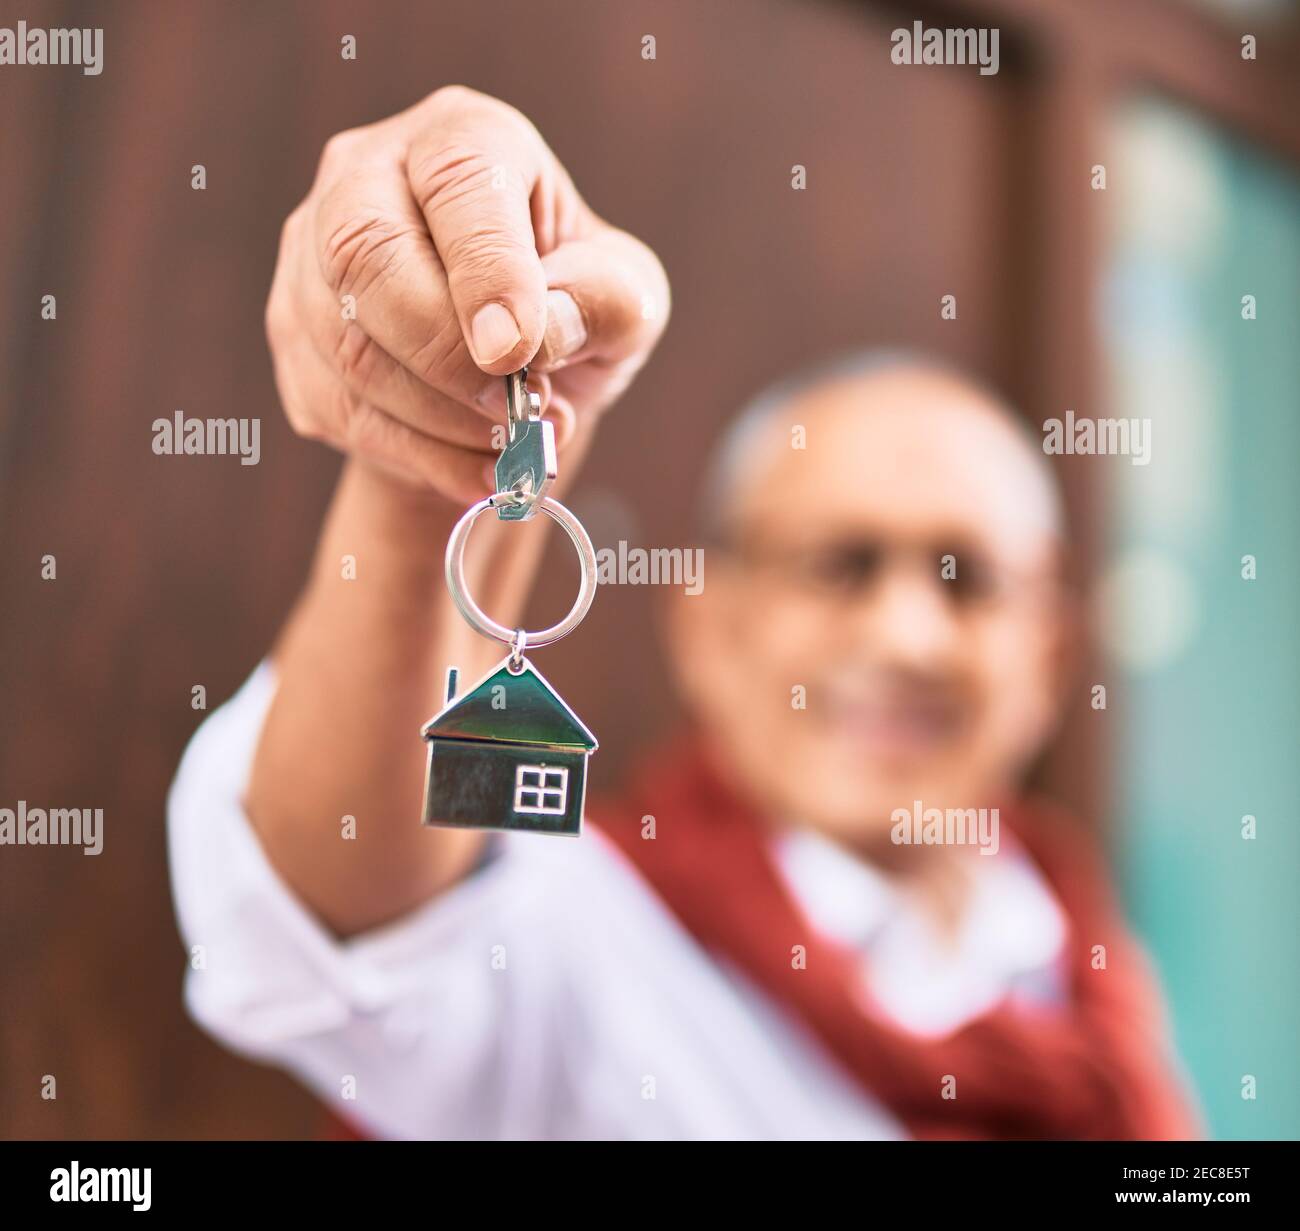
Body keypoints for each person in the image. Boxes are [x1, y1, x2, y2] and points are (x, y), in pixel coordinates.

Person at [166, 86, 1200, 1140]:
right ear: (707, 628)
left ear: (1052, 651)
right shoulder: (575, 933)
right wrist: (438, 452)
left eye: (964, 577)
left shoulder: (1099, 973)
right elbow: (336, 932)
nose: (904, 636)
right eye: (838, 567)